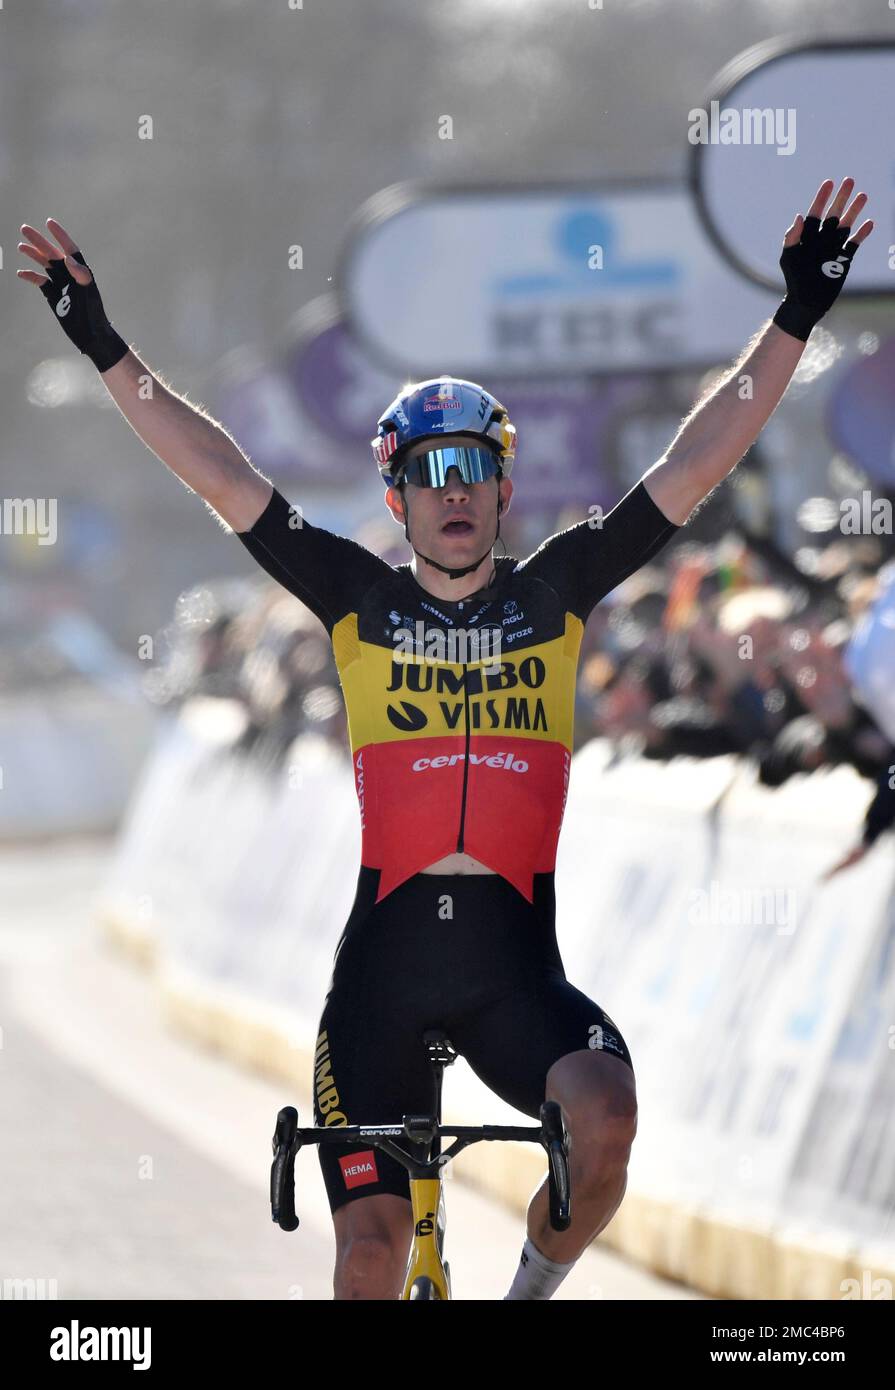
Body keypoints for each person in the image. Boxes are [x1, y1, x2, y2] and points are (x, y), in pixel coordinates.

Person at [19, 177, 873, 1299]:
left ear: (503, 486)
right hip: (383, 976)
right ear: (399, 494)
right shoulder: (353, 598)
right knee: (369, 1257)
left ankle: (525, 1293)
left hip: (515, 971)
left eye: (474, 468)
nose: (454, 493)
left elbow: (695, 460)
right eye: (430, 474)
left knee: (607, 1114)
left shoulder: (560, 587)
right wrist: (104, 344)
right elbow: (220, 472)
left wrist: (795, 314)